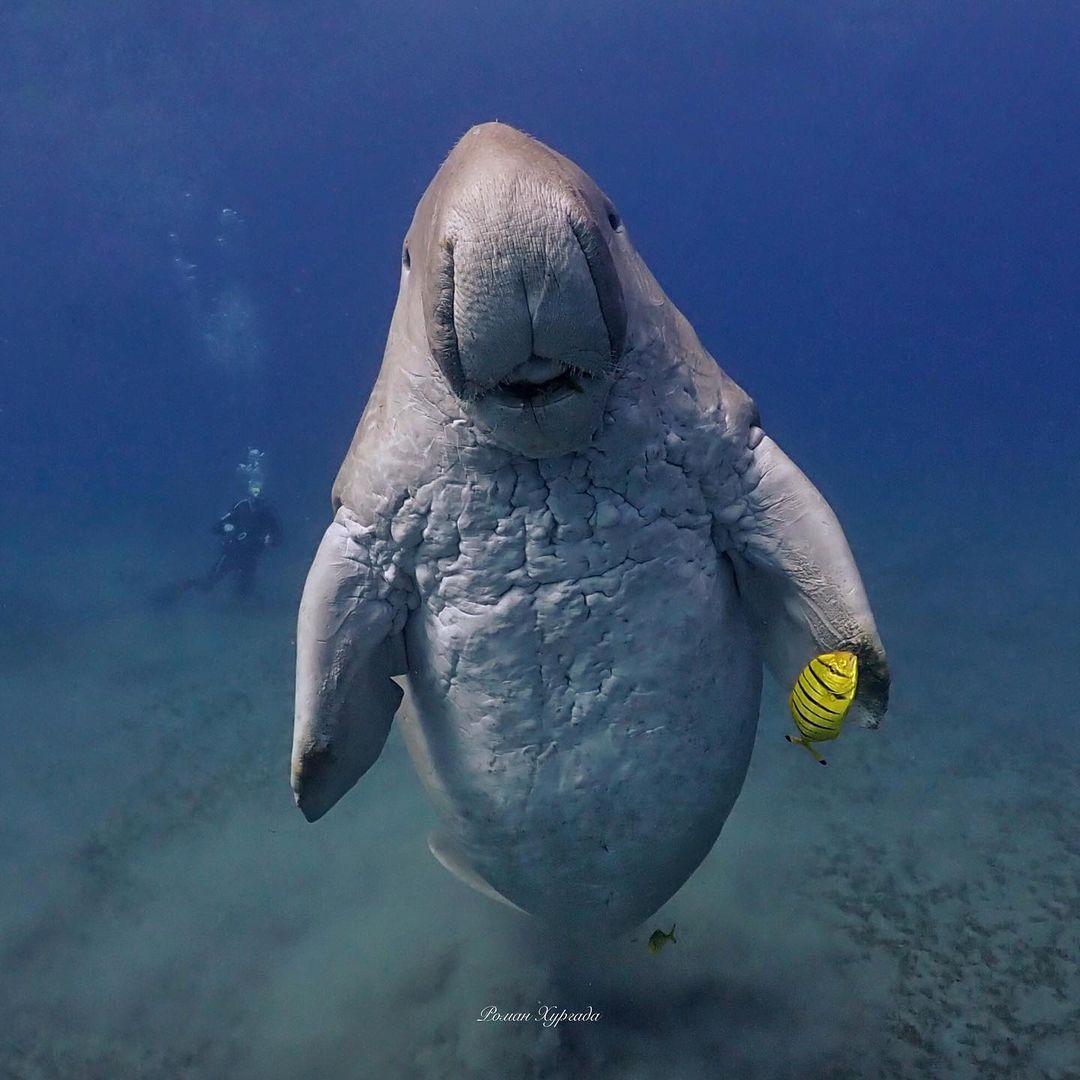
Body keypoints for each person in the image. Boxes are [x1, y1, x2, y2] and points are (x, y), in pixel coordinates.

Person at [153, 449, 282, 605]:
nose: (255, 493)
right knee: (207, 584)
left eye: (258, 488)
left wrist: (270, 539)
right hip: (232, 554)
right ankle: (179, 589)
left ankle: (241, 608)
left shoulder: (268, 512)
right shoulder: (240, 507)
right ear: (248, 489)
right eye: (253, 488)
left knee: (244, 594)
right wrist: (229, 529)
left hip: (251, 558)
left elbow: (278, 536)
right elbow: (217, 527)